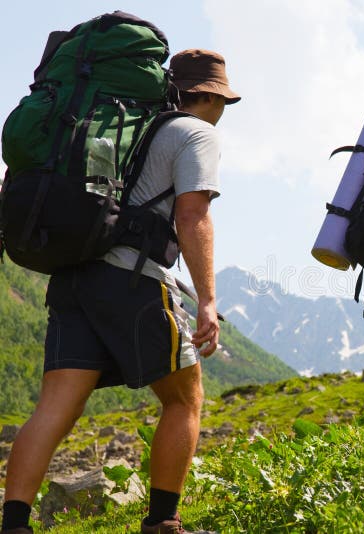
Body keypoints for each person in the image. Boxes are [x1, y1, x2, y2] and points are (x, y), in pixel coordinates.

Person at [0, 49, 240, 534]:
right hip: (134, 280)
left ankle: (14, 525)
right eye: (224, 102)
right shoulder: (195, 133)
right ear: (209, 96)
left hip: (73, 277)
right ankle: (162, 523)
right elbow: (193, 216)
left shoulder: (113, 128)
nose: (223, 112)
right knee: (184, 399)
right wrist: (209, 300)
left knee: (54, 408)